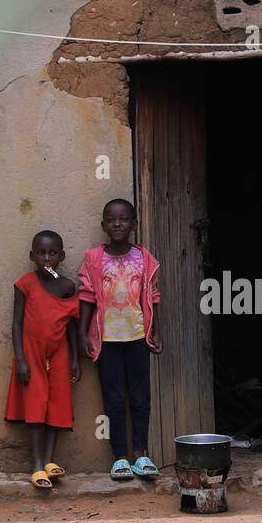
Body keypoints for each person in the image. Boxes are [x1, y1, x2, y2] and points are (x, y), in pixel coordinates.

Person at [77, 198, 162, 480]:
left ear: (134, 225)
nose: (117, 224)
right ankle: (120, 457)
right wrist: (82, 333)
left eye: (124, 219)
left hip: (137, 336)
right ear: (103, 225)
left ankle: (141, 454)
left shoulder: (144, 258)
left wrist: (155, 330)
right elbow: (87, 296)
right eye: (111, 220)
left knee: (140, 396)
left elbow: (152, 297)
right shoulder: (94, 259)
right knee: (113, 398)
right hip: (107, 339)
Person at [4, 230, 81, 489]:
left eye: (52, 253)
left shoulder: (67, 286)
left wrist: (74, 358)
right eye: (40, 253)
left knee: (58, 403)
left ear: (62, 256)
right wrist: (20, 359)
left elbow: (71, 324)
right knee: (36, 405)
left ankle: (49, 461)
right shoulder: (24, 284)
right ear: (32, 255)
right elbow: (16, 324)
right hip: (31, 351)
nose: (46, 258)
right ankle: (36, 465)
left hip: (59, 352)